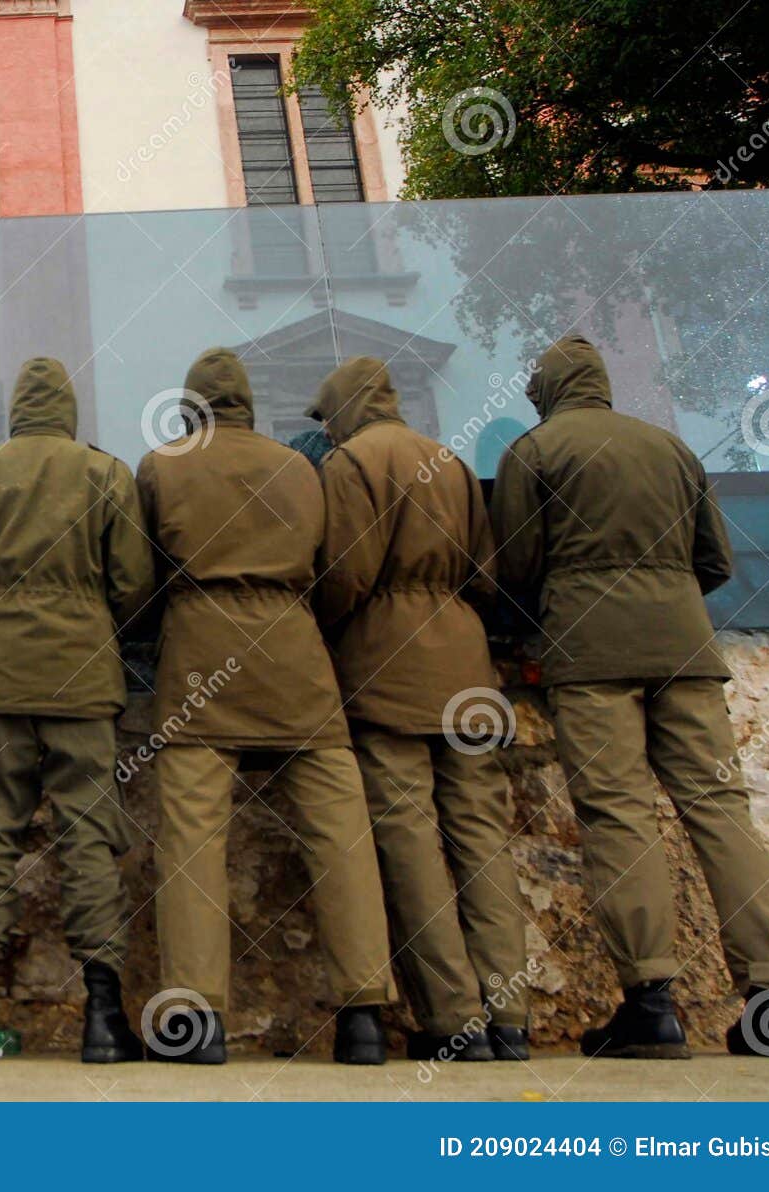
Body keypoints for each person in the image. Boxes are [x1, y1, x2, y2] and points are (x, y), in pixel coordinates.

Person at [491, 335, 769, 1059]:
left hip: (591, 650)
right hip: (686, 650)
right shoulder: (669, 447)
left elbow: (517, 565)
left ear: (547, 390)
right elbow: (714, 559)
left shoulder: (535, 453)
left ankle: (652, 1007)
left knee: (618, 813)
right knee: (720, 809)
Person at [135, 348, 395, 1066]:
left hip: (199, 649)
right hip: (295, 653)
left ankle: (196, 1021)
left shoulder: (163, 466)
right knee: (339, 830)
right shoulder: (299, 469)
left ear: (192, 404)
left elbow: (138, 574)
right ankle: (365, 1018)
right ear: (248, 402)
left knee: (191, 839)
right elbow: (336, 571)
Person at [310, 356, 529, 1063]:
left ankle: (452, 1019)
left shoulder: (351, 464)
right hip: (464, 664)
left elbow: (346, 574)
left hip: (386, 664)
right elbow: (484, 573)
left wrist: (333, 629)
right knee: (480, 834)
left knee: (407, 839)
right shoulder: (451, 461)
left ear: (343, 407)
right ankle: (510, 1017)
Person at [0, 357, 152, 1064]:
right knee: (88, 834)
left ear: (13, 410)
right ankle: (102, 1017)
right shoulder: (107, 473)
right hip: (82, 674)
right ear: (70, 410)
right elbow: (132, 582)